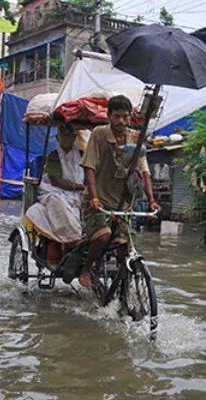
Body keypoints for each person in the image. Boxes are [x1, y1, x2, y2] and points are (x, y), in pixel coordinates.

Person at [78, 95, 160, 288]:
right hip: (97, 204)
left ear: (130, 116)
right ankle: (86, 270)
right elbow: (89, 168)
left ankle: (122, 289)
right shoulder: (99, 134)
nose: (121, 121)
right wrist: (95, 197)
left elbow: (145, 172)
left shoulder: (136, 139)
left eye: (125, 116)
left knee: (124, 245)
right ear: (109, 116)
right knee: (104, 235)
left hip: (122, 206)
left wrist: (151, 200)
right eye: (117, 116)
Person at [25, 124, 85, 243]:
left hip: (79, 192)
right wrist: (80, 187)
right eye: (64, 136)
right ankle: (73, 237)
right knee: (57, 203)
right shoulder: (54, 156)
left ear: (74, 137)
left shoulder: (82, 155)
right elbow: (55, 180)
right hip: (54, 190)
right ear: (58, 138)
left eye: (69, 136)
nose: (67, 139)